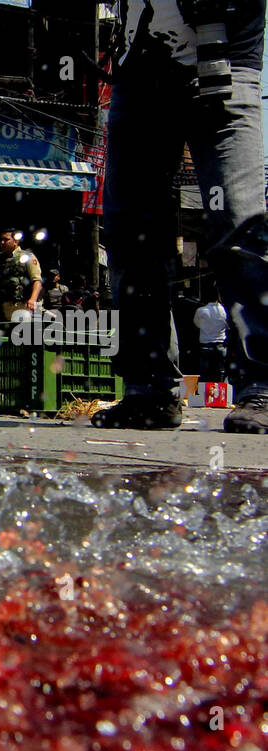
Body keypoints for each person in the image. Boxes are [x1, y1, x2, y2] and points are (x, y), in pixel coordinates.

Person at [95, 0, 268, 432]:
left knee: (236, 223)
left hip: (224, 63)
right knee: (130, 232)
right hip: (138, 75)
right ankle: (149, 392)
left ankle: (262, 386)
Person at [0, 228, 42, 321]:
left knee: (23, 334)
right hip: (4, 305)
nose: (2, 242)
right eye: (1, 240)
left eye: (6, 240)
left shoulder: (27, 257)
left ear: (16, 241)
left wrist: (33, 299)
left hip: (23, 304)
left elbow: (37, 281)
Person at [194, 286, 229, 382]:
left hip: (206, 345)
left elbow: (197, 324)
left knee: (204, 373)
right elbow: (227, 325)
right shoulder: (224, 310)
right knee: (220, 372)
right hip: (220, 345)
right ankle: (219, 395)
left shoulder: (201, 311)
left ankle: (204, 395)